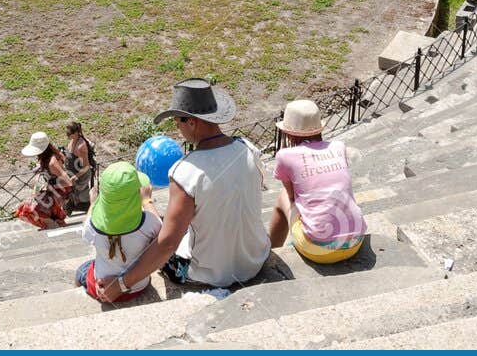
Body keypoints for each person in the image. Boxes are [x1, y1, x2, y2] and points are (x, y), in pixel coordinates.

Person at [95, 79, 271, 299]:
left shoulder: (184, 172)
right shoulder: (247, 148)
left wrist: (120, 285)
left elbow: (168, 243)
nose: (177, 128)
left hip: (213, 276)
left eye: (178, 122)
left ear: (192, 122)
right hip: (255, 261)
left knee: (152, 234)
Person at [267, 100, 367, 264]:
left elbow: (292, 196)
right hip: (355, 242)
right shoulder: (338, 146)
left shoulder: (285, 156)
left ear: (289, 133)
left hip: (318, 251)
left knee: (282, 197)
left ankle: (272, 253)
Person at [75, 162, 162, 303]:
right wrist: (146, 201)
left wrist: (93, 203)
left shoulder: (92, 227)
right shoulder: (148, 224)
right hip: (138, 285)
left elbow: (89, 220)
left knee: (80, 271)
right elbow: (161, 229)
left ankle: (80, 300)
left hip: (101, 283)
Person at [16, 131, 75, 228]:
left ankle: (53, 226)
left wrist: (50, 186)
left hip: (57, 192)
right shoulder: (50, 157)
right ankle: (55, 223)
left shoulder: (52, 162)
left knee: (29, 208)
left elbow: (67, 181)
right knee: (29, 206)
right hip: (51, 192)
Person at [64, 119, 96, 213]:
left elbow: (86, 166)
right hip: (72, 173)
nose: (68, 136)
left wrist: (75, 176)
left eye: (70, 134)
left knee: (83, 199)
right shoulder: (72, 141)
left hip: (81, 176)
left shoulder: (81, 146)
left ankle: (90, 212)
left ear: (76, 133)